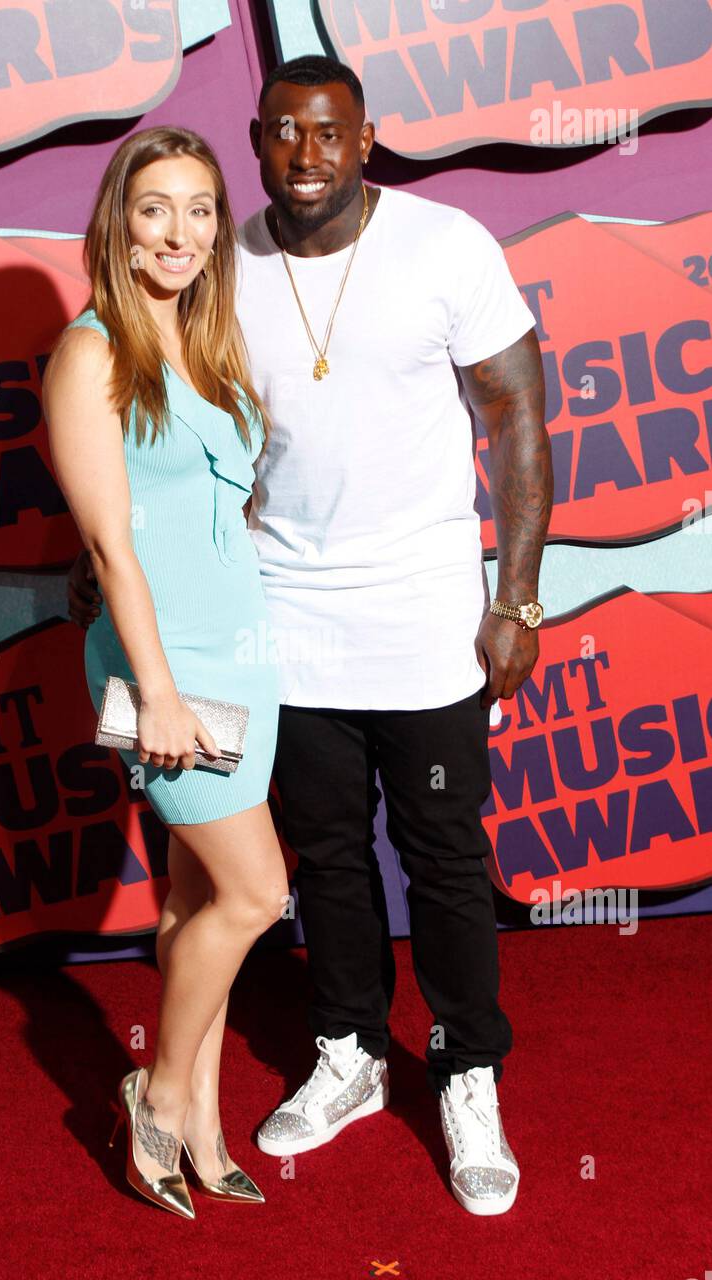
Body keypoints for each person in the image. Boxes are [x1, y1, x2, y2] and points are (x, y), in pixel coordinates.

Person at [69, 56, 553, 1217]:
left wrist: (519, 595)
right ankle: (348, 1050)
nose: (307, 154)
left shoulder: (446, 246)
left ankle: (468, 1067)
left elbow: (519, 414)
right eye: (283, 133)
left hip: (430, 617)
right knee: (322, 859)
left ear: (367, 138)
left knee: (442, 855)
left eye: (329, 133)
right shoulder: (223, 265)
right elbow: (152, 444)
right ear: (257, 138)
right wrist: (114, 601)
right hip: (281, 628)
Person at [43, 126, 288, 1221]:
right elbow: (110, 549)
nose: (179, 231)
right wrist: (161, 696)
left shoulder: (211, 341)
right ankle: (158, 1088)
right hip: (164, 666)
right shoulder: (90, 351)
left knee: (197, 897)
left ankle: (201, 1120)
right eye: (156, 207)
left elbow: (215, 508)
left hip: (242, 647)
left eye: (199, 209)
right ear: (119, 220)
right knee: (255, 891)